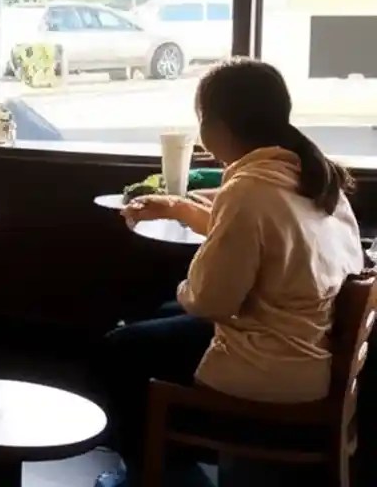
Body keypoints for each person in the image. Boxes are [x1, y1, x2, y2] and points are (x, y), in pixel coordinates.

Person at [96, 58, 365, 487]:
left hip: (266, 367)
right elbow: (263, 235)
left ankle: (157, 471)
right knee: (161, 313)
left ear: (217, 126)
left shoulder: (250, 188)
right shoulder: (311, 174)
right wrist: (180, 208)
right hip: (305, 350)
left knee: (118, 349)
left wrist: (190, 285)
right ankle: (170, 455)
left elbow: (209, 300)